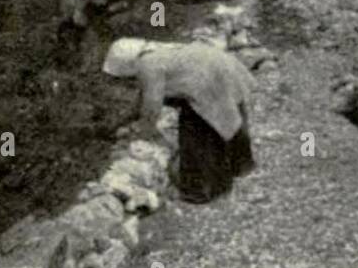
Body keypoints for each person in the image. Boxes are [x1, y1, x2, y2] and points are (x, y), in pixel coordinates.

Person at [103, 38, 255, 204]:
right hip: (222, 66)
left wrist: (144, 133)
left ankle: (199, 191)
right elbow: (143, 98)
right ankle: (242, 165)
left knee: (195, 138)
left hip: (206, 82)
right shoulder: (158, 51)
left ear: (127, 64)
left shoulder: (148, 65)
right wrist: (124, 120)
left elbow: (152, 104)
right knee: (234, 118)